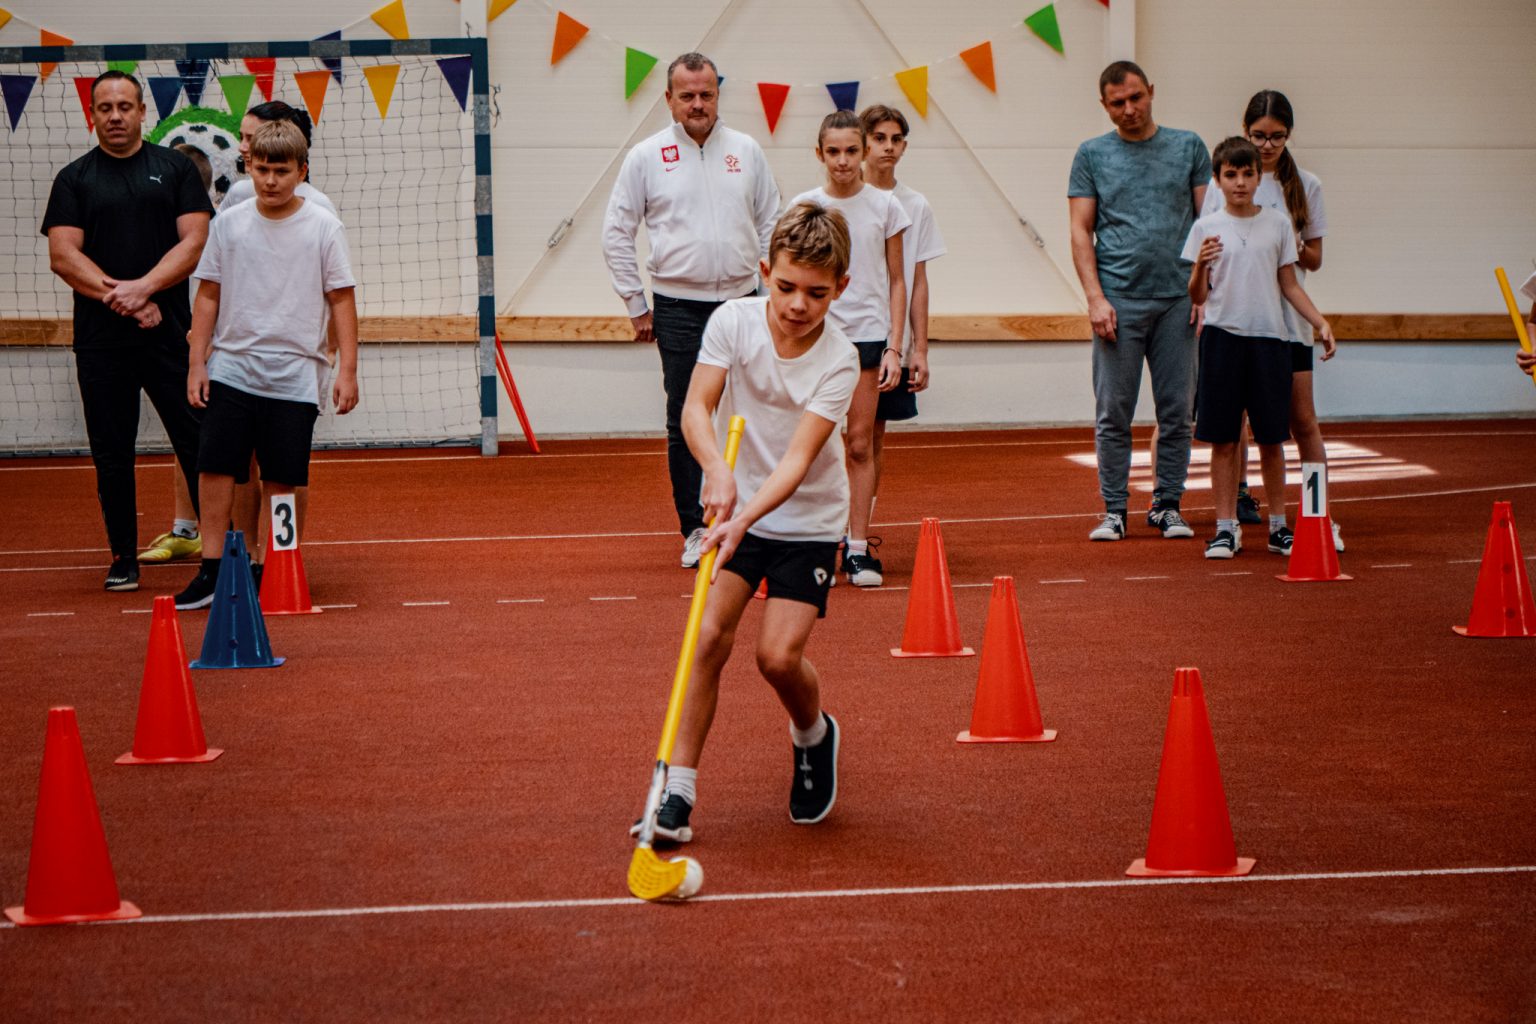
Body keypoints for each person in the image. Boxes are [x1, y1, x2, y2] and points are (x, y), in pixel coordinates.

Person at [628, 200, 858, 845]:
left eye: (816, 293)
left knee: (777, 658)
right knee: (706, 638)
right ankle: (677, 794)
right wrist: (717, 471)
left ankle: (813, 734)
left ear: (841, 289)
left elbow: (797, 461)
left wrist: (743, 513)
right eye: (785, 287)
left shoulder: (839, 360)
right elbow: (695, 409)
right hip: (736, 506)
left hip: (806, 516)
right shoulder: (732, 321)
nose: (797, 305)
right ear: (765, 272)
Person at [602, 52, 781, 569]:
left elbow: (773, 222)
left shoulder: (746, 150)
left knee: (749, 414)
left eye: (706, 94)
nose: (698, 104)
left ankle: (749, 520)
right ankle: (696, 528)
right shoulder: (646, 156)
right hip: (679, 306)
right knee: (689, 415)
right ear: (669, 99)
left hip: (746, 302)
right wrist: (636, 303)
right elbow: (617, 230)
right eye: (687, 96)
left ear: (718, 95)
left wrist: (773, 298)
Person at [174, 121, 358, 609]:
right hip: (233, 366)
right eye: (261, 169)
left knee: (282, 476)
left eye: (281, 170)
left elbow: (341, 299)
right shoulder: (229, 225)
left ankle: (279, 564)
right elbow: (208, 294)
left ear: (302, 171)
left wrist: (347, 370)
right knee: (215, 467)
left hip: (297, 373)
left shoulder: (323, 227)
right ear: (248, 169)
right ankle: (212, 569)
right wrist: (198, 362)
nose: (270, 180)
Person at [42, 70, 212, 592]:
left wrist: (146, 290)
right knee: (111, 450)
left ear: (143, 112)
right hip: (102, 342)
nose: (115, 116)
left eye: (124, 106)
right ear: (92, 114)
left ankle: (223, 555)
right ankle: (122, 557)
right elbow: (63, 255)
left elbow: (196, 241)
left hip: (170, 337)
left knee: (198, 442)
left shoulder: (175, 169)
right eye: (105, 108)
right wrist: (129, 299)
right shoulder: (74, 179)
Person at [1068, 61, 1209, 543]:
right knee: (1114, 412)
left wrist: (1203, 291)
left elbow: (1208, 225)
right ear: (1104, 106)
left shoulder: (1188, 146)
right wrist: (1095, 298)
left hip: (1178, 301)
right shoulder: (1091, 154)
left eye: (1135, 98)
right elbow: (1080, 231)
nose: (1128, 110)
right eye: (1117, 103)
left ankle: (1167, 504)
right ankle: (1113, 509)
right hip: (1118, 302)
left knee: (1177, 411)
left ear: (1151, 91)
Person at [1201, 90, 1344, 552]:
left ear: (1289, 135)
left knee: (1301, 421)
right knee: (1235, 425)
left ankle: (1317, 516)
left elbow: (1314, 260)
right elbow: (1207, 250)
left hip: (1288, 320)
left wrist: (1278, 237)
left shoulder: (1306, 184)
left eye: (1276, 137)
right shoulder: (1229, 181)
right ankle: (1233, 516)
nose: (1266, 146)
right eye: (1258, 136)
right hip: (1236, 319)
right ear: (1245, 133)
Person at [790, 110, 909, 586]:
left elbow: (898, 280)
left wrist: (895, 347)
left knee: (860, 444)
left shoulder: (886, 207)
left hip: (866, 339)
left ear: (863, 152)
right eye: (833, 152)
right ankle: (803, 543)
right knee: (808, 446)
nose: (842, 161)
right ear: (819, 154)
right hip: (813, 339)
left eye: (851, 151)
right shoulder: (804, 206)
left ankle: (857, 549)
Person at [860, 103, 945, 548]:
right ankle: (829, 527)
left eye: (896, 139)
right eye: (879, 138)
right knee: (836, 436)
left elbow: (916, 281)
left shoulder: (915, 205)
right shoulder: (842, 198)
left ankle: (859, 523)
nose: (888, 147)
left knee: (873, 434)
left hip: (888, 339)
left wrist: (919, 350)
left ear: (904, 146)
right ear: (862, 144)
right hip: (845, 335)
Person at [135, 143, 217, 566]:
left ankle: (242, 539)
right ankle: (187, 531)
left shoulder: (219, 230)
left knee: (223, 446)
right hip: (182, 349)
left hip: (221, 350)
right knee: (187, 435)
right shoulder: (158, 229)